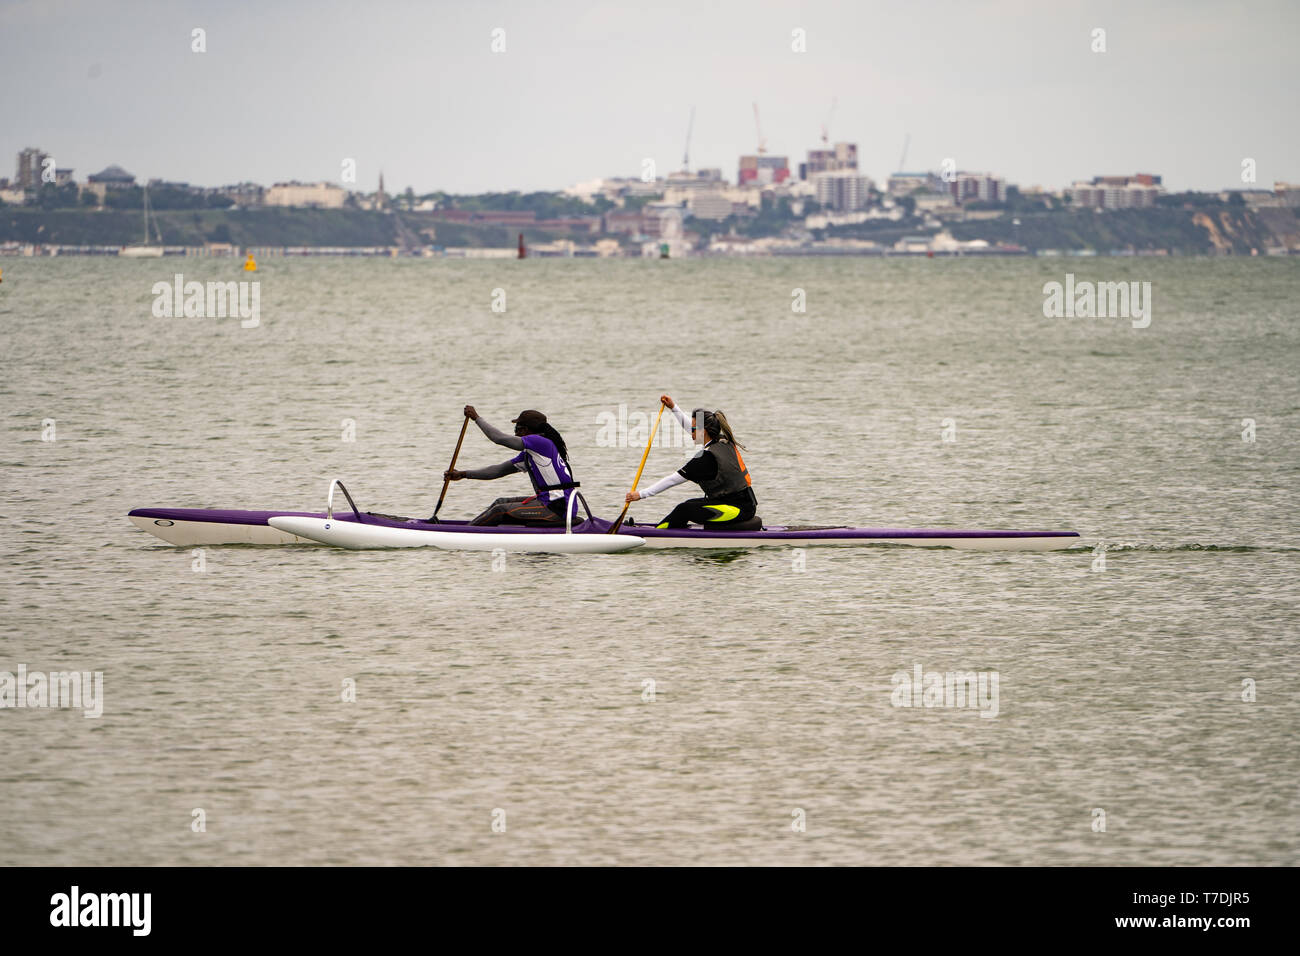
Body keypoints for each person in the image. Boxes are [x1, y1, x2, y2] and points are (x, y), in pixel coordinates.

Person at [625, 395, 757, 529]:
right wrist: (673, 408)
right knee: (690, 504)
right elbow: (692, 428)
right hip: (742, 504)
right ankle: (664, 530)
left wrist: (641, 494)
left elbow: (672, 480)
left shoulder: (706, 459)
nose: (691, 433)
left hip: (737, 510)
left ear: (703, 431)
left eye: (694, 429)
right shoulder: (723, 441)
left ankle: (657, 534)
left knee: (685, 509)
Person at [442, 406, 577, 526]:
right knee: (500, 502)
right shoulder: (532, 455)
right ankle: (471, 529)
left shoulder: (540, 442)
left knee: (499, 511)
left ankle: (466, 534)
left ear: (526, 430)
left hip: (557, 507)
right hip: (554, 503)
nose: (515, 434)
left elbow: (499, 438)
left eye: (517, 429)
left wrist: (476, 418)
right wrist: (463, 474)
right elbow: (498, 471)